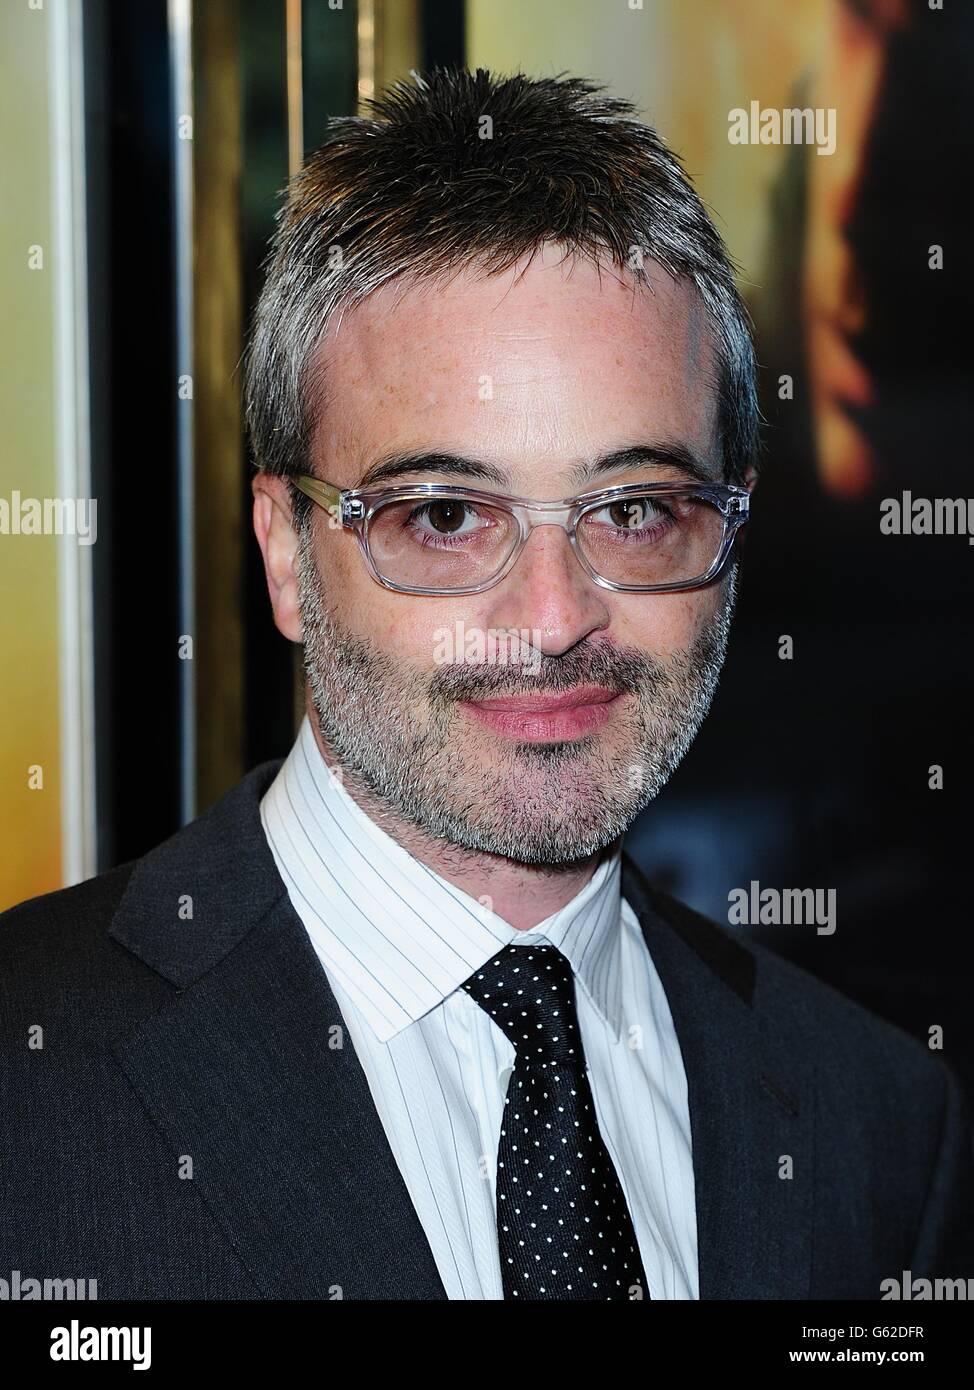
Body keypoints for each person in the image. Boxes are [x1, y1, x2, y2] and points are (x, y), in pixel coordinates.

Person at [1, 69, 970, 1301]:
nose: (556, 620)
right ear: (288, 555)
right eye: (447, 514)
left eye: (631, 509)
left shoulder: (876, 1126)